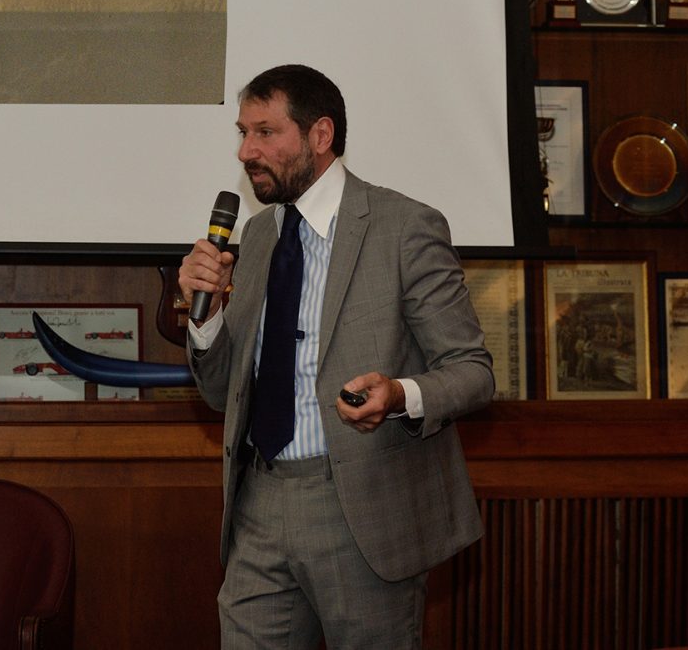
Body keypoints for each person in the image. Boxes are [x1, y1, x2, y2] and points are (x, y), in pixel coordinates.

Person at [178, 64, 493, 649]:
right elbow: (223, 394)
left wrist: (399, 395)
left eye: (265, 132)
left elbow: (473, 372)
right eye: (242, 133)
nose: (247, 150)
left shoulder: (403, 227)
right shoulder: (258, 236)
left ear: (320, 135)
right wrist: (204, 314)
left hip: (360, 508)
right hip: (258, 504)